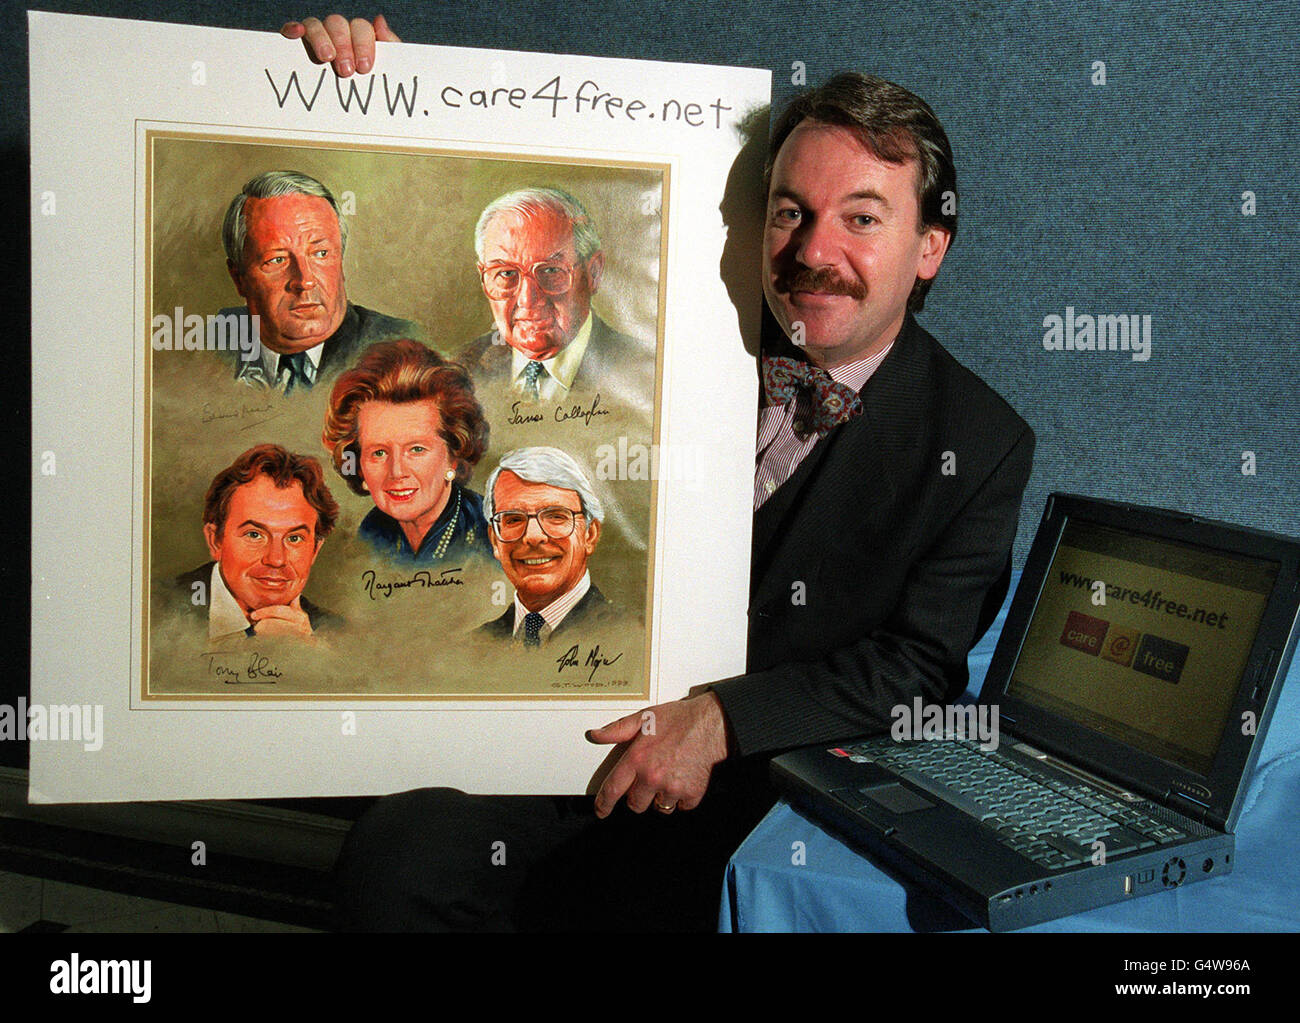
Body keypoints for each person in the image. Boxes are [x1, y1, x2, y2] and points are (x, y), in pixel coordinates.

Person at [283, 19, 1034, 931]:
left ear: (929, 248)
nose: (811, 250)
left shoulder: (981, 441)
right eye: (791, 210)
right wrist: (367, 95)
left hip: (748, 789)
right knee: (398, 859)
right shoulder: (658, 337)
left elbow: (914, 671)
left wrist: (721, 720)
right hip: (550, 733)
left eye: (863, 218)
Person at [220, 169, 422, 392]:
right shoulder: (206, 346)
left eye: (321, 254)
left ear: (341, 264)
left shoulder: (405, 348)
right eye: (277, 260)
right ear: (238, 279)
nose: (305, 281)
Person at [458, 187, 653, 408]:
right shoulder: (457, 371)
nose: (527, 300)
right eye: (506, 273)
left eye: (551, 271)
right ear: (484, 279)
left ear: (593, 273)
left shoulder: (646, 369)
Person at [322, 340, 492, 564]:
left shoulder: (490, 535)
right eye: (379, 453)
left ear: (453, 456)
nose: (397, 472)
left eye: (416, 449)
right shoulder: (371, 533)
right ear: (359, 464)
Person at [176, 443, 341, 644]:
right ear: (215, 541)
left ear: (315, 551)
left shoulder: (335, 635)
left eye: (294, 538)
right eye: (254, 535)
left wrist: (305, 654)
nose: (276, 559)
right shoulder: (157, 608)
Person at [476, 447, 622, 645]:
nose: (533, 536)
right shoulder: (474, 645)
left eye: (555, 516)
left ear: (590, 534)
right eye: (513, 519)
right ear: (495, 541)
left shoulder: (628, 635)